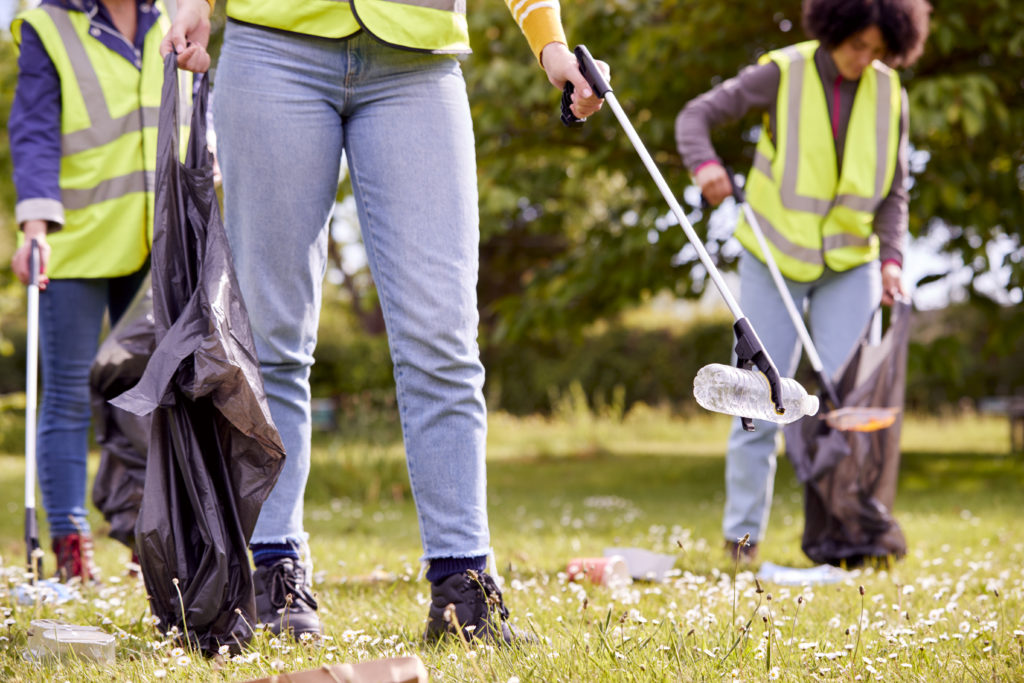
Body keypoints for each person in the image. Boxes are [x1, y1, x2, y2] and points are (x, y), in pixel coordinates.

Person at [162, 0, 606, 642]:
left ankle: (464, 586)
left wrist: (552, 45)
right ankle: (273, 569)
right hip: (274, 50)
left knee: (443, 340)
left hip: (417, 64)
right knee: (272, 339)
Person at [676, 0, 930, 562]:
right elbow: (694, 117)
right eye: (857, 46)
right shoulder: (782, 72)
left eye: (878, 50)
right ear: (834, 28)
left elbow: (894, 190)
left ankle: (849, 533)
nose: (865, 59)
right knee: (760, 399)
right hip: (774, 259)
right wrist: (707, 166)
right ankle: (742, 539)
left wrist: (892, 259)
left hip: (850, 266)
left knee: (849, 407)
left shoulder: (892, 95)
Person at [8, 0, 206, 582]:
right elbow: (35, 129)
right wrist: (34, 228)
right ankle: (71, 542)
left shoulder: (177, 14)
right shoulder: (48, 26)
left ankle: (154, 537)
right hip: (79, 240)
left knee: (157, 395)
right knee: (68, 396)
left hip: (157, 242)